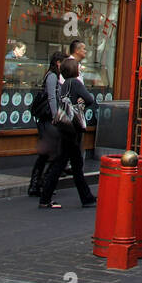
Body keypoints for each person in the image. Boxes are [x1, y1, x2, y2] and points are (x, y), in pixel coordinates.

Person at [39, 59, 96, 210]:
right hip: (73, 129)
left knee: (70, 164)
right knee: (65, 164)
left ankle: (86, 197)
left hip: (64, 127)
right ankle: (84, 198)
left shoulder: (64, 85)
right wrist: (82, 102)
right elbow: (90, 99)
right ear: (74, 69)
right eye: (78, 66)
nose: (80, 68)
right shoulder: (76, 83)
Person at [28, 50, 65, 198]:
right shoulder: (52, 76)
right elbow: (51, 98)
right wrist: (57, 115)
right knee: (51, 152)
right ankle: (39, 183)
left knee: (47, 153)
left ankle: (38, 184)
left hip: (48, 119)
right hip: (47, 119)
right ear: (58, 63)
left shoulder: (54, 76)